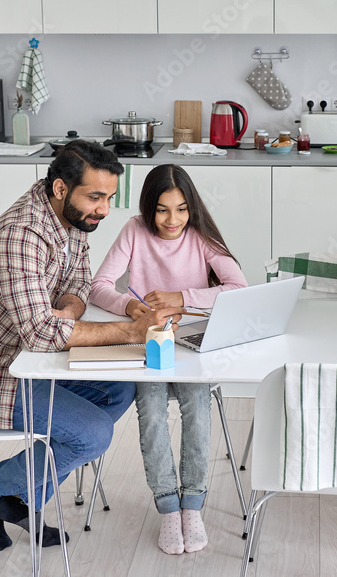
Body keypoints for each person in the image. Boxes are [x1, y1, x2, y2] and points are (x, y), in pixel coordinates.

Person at [0, 140, 181, 552]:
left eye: (110, 198)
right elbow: (43, 336)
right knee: (92, 435)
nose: (104, 210)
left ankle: (18, 495)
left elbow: (79, 279)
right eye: (95, 197)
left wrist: (71, 304)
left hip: (22, 363)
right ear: (61, 189)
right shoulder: (21, 235)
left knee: (119, 389)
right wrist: (131, 332)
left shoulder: (70, 221)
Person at [89, 164, 247, 555]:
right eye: (162, 210)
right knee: (152, 409)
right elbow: (98, 286)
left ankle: (192, 505)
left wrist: (182, 298)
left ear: (190, 208)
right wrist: (133, 308)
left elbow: (238, 287)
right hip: (150, 344)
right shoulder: (134, 230)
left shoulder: (200, 234)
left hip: (193, 343)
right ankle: (167, 507)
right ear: (148, 208)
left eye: (180, 209)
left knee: (196, 405)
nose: (172, 220)